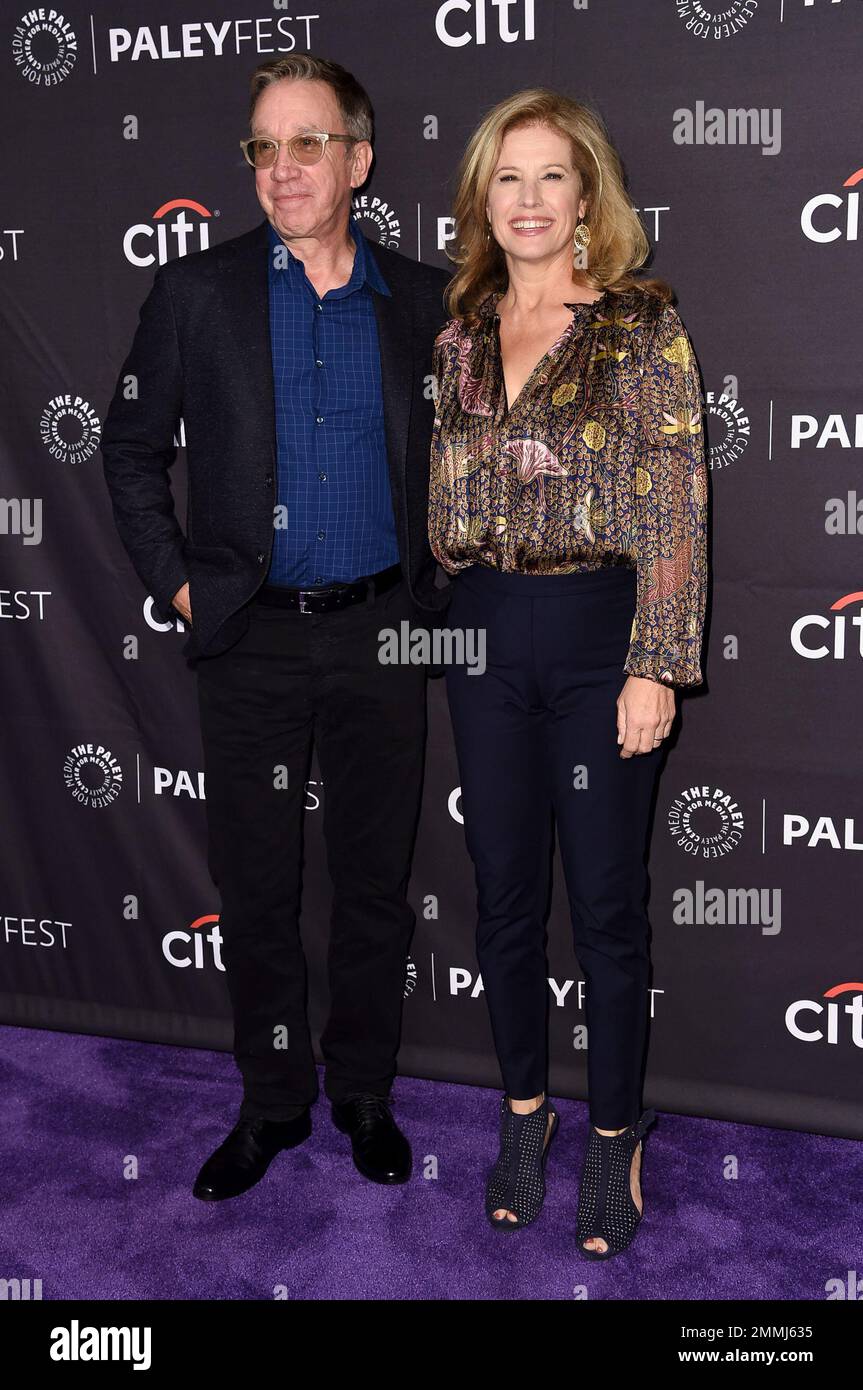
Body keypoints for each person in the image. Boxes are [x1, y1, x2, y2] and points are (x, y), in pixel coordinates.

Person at [101, 54, 450, 1200]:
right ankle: (270, 1100)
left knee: (370, 883)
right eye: (263, 145)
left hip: (382, 631)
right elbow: (131, 451)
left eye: (307, 143)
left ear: (357, 160)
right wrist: (182, 585)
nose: (282, 167)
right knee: (254, 886)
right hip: (249, 636)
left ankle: (361, 1091)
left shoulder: (423, 302)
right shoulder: (196, 294)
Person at [429, 88, 708, 1258]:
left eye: (551, 176)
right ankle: (524, 1115)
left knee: (602, 906)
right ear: (481, 200)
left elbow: (675, 505)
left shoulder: (640, 322)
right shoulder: (457, 333)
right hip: (483, 629)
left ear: (586, 195)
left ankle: (612, 1137)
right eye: (507, 177)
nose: (528, 199)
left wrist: (654, 661)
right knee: (500, 894)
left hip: (602, 631)